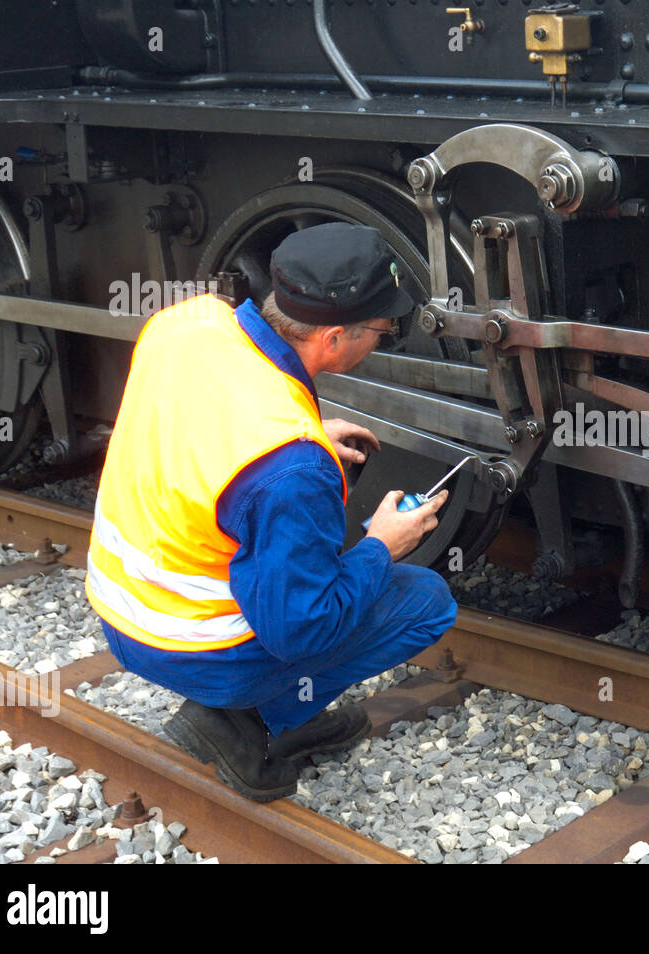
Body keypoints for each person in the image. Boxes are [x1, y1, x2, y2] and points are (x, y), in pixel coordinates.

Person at [85, 222, 458, 801]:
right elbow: (303, 630)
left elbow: (197, 414)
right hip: (188, 644)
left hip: (121, 611)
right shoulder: (291, 473)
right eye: (381, 331)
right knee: (423, 600)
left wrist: (300, 433)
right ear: (333, 340)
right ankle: (249, 722)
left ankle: (265, 705)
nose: (383, 340)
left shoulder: (189, 322)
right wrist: (382, 545)